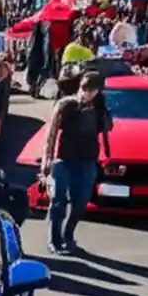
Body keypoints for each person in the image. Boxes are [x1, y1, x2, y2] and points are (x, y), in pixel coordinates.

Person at [39, 72, 112, 255]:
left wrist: (101, 111)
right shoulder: (67, 105)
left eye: (91, 90)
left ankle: (68, 235)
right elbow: (52, 132)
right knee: (58, 201)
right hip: (63, 158)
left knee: (81, 200)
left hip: (87, 158)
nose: (85, 93)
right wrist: (47, 159)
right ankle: (54, 240)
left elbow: (108, 128)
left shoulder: (99, 108)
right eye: (83, 88)